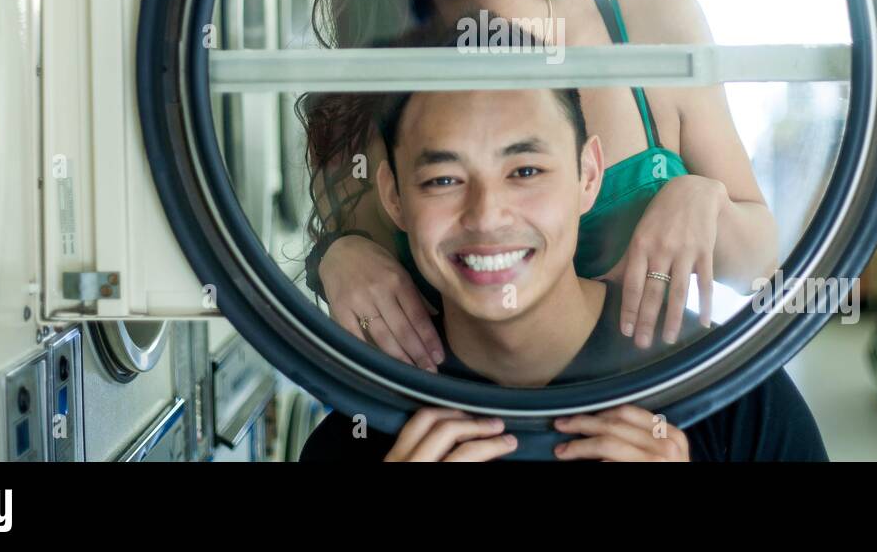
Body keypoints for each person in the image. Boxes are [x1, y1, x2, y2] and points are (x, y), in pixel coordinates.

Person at [298, 0, 779, 374]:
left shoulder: (651, 25)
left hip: (658, 413)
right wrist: (338, 257)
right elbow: (367, 320)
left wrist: (701, 198)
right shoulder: (362, 99)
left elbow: (760, 262)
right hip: (471, 430)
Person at [298, 23, 827, 462]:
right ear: (394, 197)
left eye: (525, 170)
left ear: (589, 175)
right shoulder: (357, 437)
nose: (486, 216)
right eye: (444, 180)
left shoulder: (730, 395)